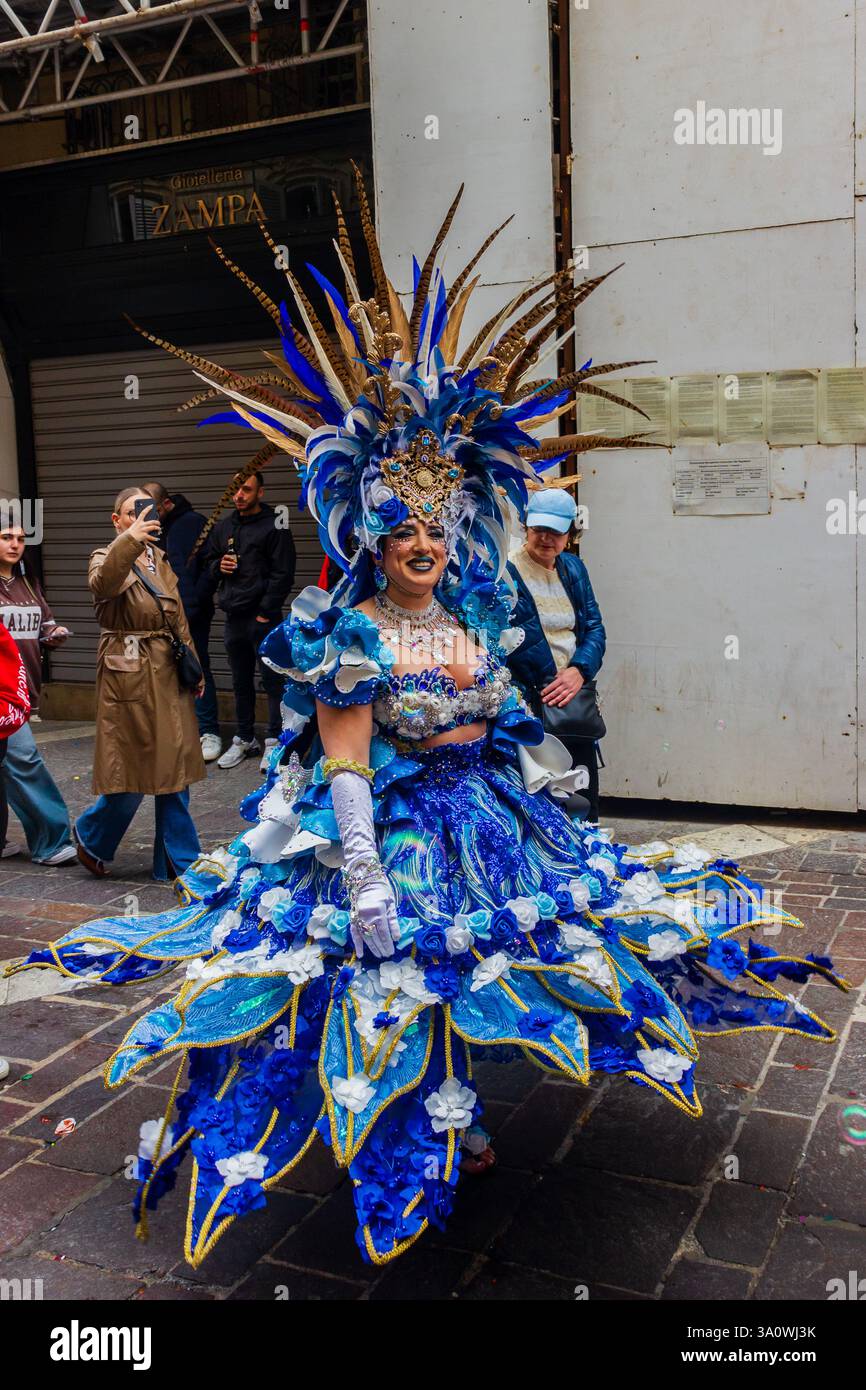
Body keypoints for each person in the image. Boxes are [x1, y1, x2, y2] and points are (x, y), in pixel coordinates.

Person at [9, 186, 845, 1270]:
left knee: (497, 965)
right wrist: (358, 873)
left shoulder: (472, 611)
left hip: (488, 817)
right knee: (388, 975)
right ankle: (416, 1137)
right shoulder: (346, 630)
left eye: (436, 525)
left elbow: (504, 715)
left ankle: (459, 1113)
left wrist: (542, 766)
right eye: (401, 524)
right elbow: (346, 754)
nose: (421, 542)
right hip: (392, 828)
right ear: (370, 527)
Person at [72, 487, 206, 881]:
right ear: (117, 520)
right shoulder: (106, 555)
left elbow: (177, 615)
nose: (143, 518)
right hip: (127, 670)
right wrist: (129, 541)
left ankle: (176, 859)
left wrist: (193, 666)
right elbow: (103, 584)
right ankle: (94, 836)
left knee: (175, 762)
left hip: (167, 667)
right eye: (134, 512)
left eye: (148, 510)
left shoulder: (160, 558)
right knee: (133, 766)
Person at [507, 488, 606, 820]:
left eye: (556, 531)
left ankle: (592, 859)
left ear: (570, 533)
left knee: (581, 788)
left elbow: (594, 628)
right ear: (526, 528)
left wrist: (579, 670)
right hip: (529, 699)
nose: (546, 538)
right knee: (541, 795)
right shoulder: (506, 571)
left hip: (572, 699)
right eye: (539, 530)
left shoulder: (573, 569)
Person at [200, 471, 295, 772]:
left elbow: (284, 571)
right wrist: (219, 566)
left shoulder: (276, 522)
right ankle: (243, 738)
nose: (239, 495)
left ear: (260, 492)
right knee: (240, 680)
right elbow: (207, 564)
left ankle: (274, 741)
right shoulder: (224, 526)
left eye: (246, 489)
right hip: (233, 616)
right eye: (235, 490)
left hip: (263, 617)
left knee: (272, 680)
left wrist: (266, 611)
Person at [0, 524, 77, 863]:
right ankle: (52, 842)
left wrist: (53, 633)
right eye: (5, 537)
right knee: (24, 759)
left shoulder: (27, 582)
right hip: (3, 695)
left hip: (24, 686)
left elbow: (44, 623)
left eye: (19, 538)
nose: (15, 544)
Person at [143, 482, 222, 764]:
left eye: (152, 507)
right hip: (157, 612)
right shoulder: (146, 529)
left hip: (192, 611)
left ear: (166, 504)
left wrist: (197, 599)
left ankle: (208, 731)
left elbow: (211, 564)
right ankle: (176, 731)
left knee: (197, 666)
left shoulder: (192, 523)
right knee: (162, 669)